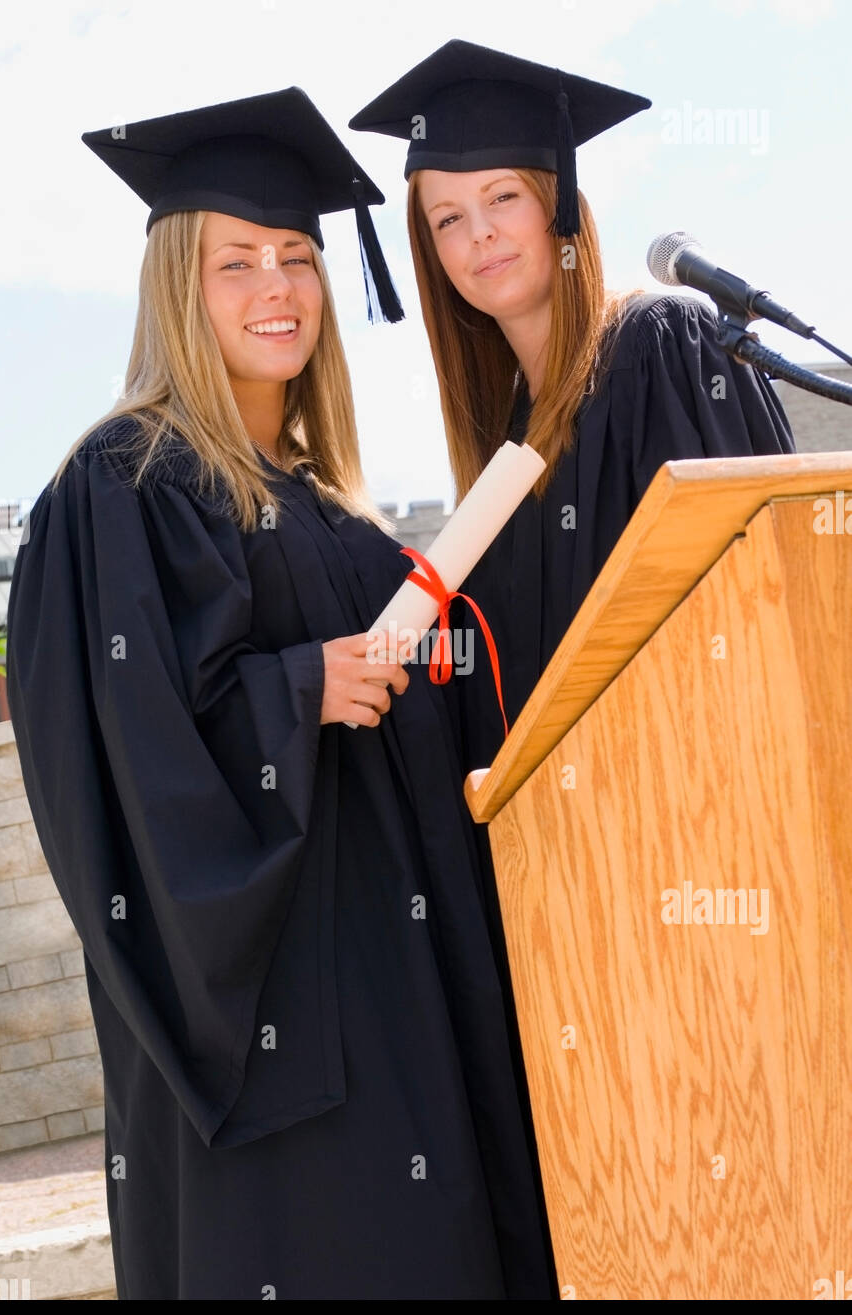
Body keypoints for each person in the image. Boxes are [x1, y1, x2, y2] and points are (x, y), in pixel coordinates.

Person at [5, 88, 557, 1300]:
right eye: (237, 261)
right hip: (274, 1058)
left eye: (298, 258)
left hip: (406, 1015)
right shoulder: (123, 488)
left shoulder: (342, 520)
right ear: (176, 291)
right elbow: (111, 761)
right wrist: (293, 691)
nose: (278, 287)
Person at [349, 40, 797, 771]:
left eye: (501, 197)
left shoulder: (662, 343)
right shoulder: (499, 454)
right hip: (578, 853)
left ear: (556, 203)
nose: (480, 233)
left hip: (708, 807)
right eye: (447, 220)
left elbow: (753, 601)